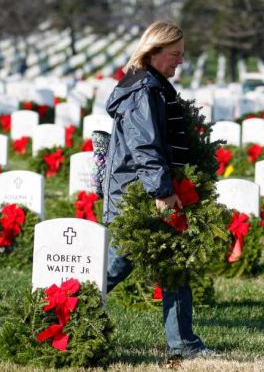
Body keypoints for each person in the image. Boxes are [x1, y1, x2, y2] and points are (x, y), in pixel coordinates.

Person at [102, 21, 215, 360]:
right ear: (153, 52)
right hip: (138, 192)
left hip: (152, 188)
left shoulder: (156, 85)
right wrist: (162, 193)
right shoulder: (143, 90)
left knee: (173, 262)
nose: (180, 61)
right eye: (175, 54)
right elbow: (145, 146)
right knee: (116, 265)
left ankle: (184, 343)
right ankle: (64, 307)